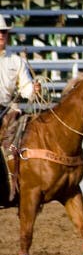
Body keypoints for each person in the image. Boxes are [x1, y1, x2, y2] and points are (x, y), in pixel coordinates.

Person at [1, 14, 40, 202]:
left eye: (3, 32)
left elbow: (25, 89)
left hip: (8, 109)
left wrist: (34, 89)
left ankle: (13, 184)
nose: (1, 36)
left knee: (12, 143)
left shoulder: (16, 61)